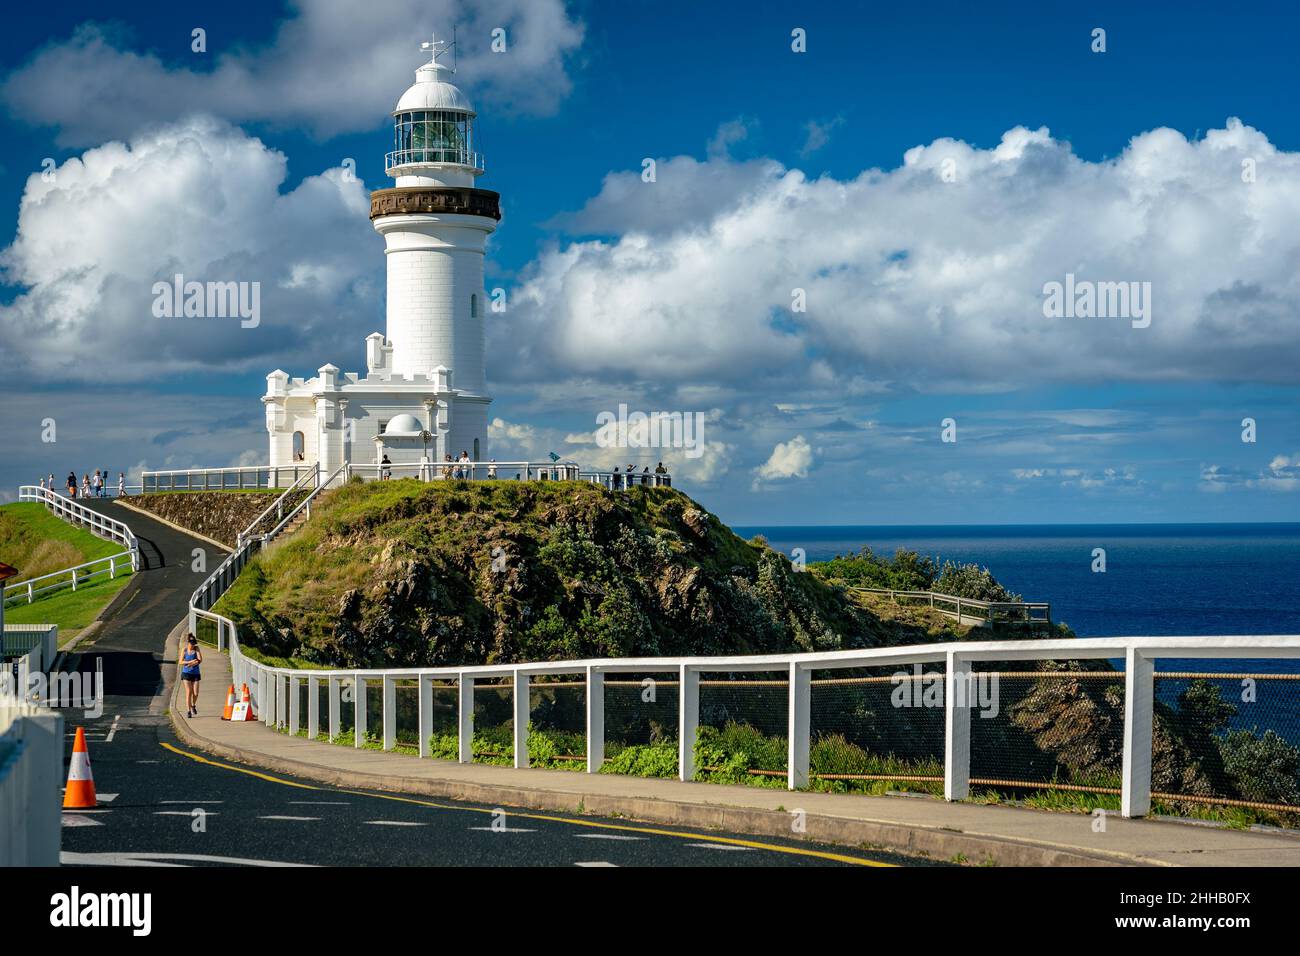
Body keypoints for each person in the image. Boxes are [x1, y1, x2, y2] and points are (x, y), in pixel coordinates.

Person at [180, 634, 203, 718]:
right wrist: (189, 663)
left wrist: (193, 662)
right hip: (186, 673)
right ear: (188, 642)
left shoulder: (196, 649)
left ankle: (193, 705)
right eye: (191, 643)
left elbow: (200, 660)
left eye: (194, 643)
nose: (193, 645)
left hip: (196, 673)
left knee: (196, 693)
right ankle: (188, 711)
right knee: (189, 692)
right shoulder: (184, 650)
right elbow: (181, 662)